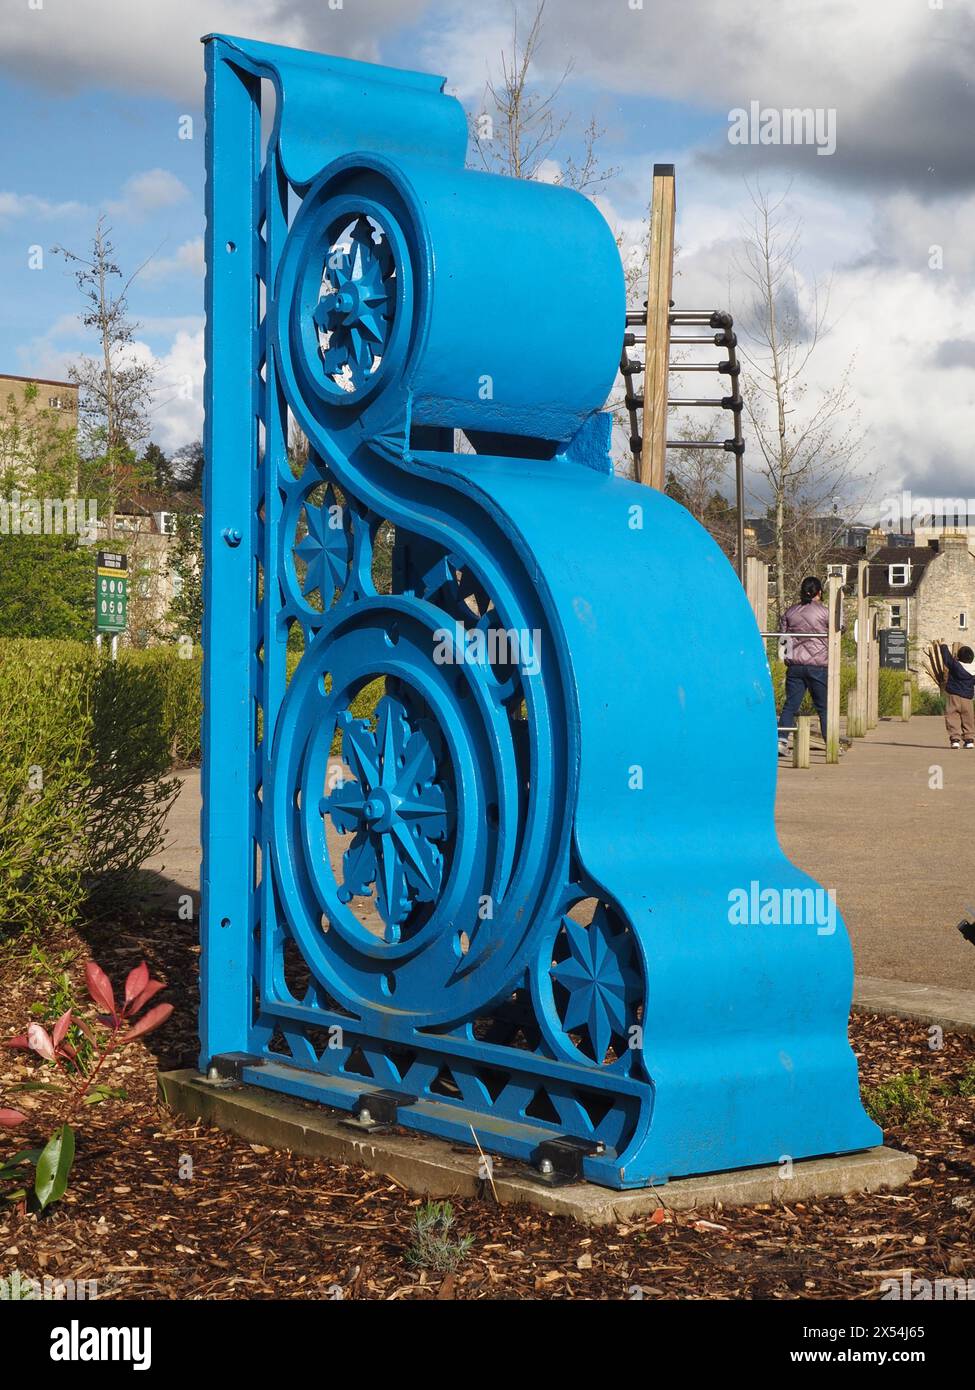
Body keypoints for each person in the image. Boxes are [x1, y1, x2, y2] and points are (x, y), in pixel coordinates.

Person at [777, 576, 830, 755]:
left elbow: (783, 637)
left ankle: (782, 740)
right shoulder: (825, 612)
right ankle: (829, 741)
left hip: (796, 665)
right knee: (823, 706)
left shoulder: (790, 612)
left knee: (791, 704)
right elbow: (840, 628)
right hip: (818, 665)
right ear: (819, 592)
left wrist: (786, 659)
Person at [940, 641, 975, 749]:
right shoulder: (974, 669)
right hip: (967, 699)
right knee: (968, 718)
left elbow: (947, 658)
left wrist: (943, 646)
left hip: (953, 696)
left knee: (952, 717)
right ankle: (969, 740)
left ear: (959, 657)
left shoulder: (955, 665)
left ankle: (955, 739)